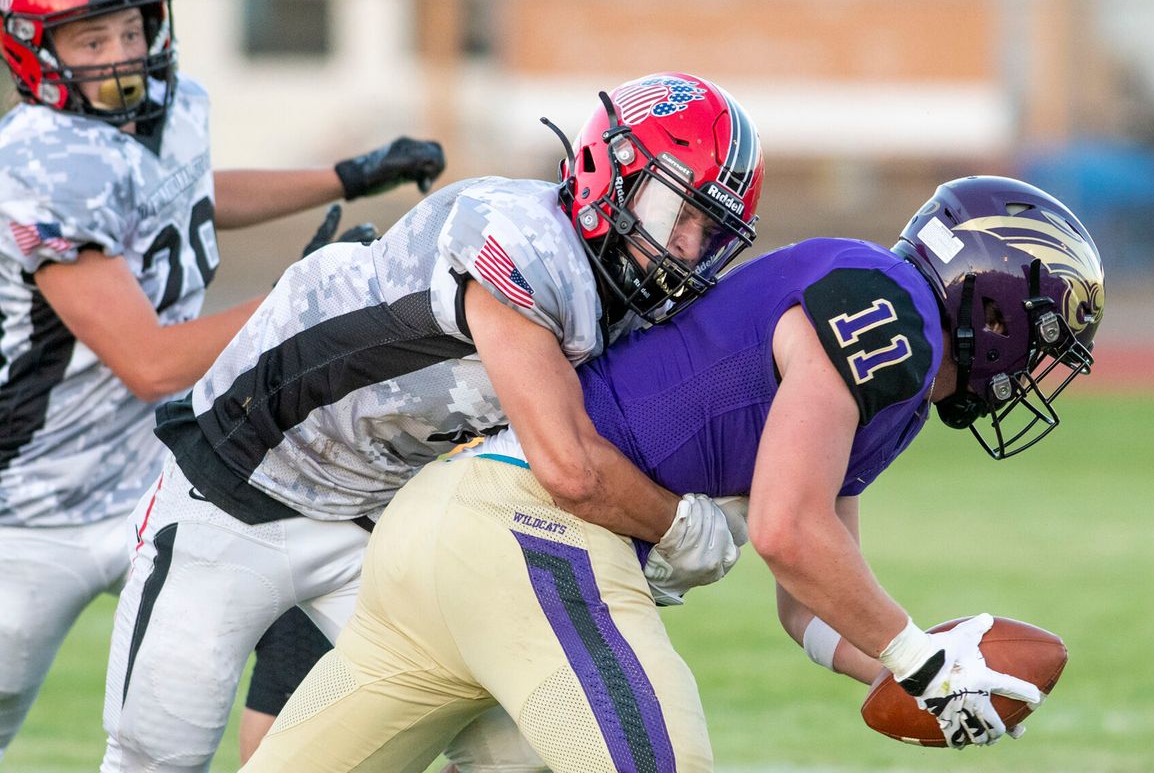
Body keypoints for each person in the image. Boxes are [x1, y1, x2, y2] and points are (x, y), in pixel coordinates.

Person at [240, 175, 1106, 771]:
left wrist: (911, 674)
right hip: (533, 533)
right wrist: (920, 654)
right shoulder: (894, 316)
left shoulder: (892, 377)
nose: (1037, 365)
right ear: (992, 301)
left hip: (447, 526)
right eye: (1043, 330)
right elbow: (784, 531)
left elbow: (805, 592)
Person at [100, 71, 765, 772]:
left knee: (527, 749)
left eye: (708, 228)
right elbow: (569, 467)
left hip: (383, 523)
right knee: (155, 751)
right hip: (238, 486)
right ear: (609, 171)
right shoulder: (518, 237)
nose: (687, 247)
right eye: (674, 211)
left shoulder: (628, 303)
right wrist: (679, 526)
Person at [0, 0, 443, 761]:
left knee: (316, 604)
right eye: (91, 41)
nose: (121, 56)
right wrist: (296, 296)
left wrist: (346, 174)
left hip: (164, 465)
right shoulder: (41, 161)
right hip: (34, 505)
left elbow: (184, 196)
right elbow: (149, 362)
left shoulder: (171, 111)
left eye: (131, 31)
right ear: (35, 51)